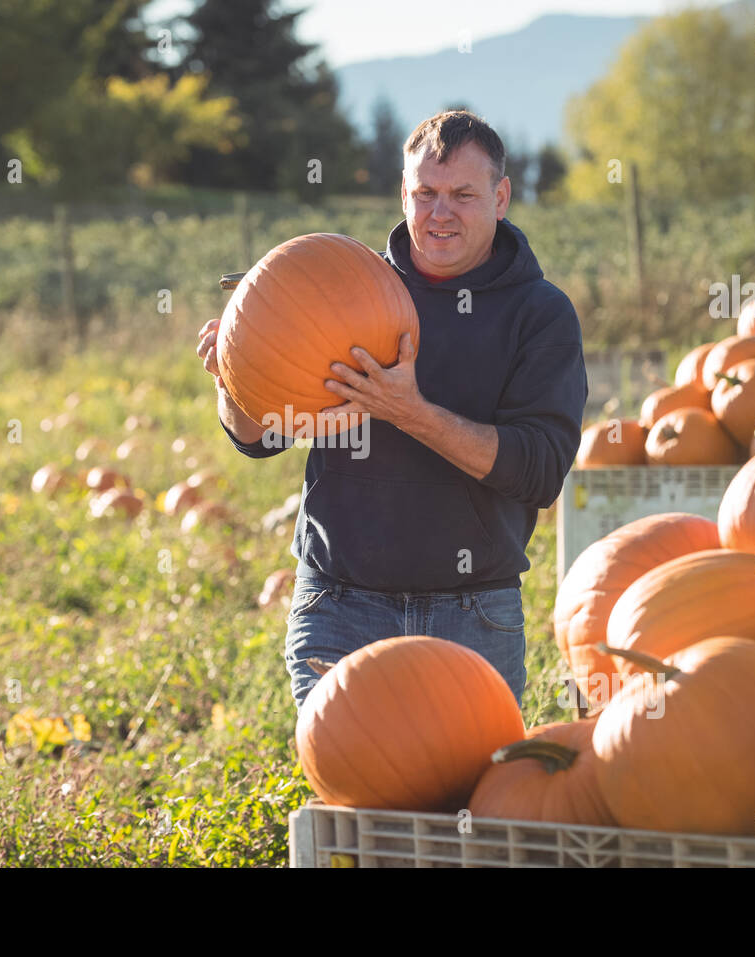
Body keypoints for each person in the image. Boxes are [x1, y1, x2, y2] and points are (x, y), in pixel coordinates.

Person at [196, 110, 588, 712]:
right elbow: (260, 438)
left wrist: (410, 411)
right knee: (353, 797)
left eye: (463, 194)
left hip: (473, 612)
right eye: (425, 193)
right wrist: (235, 374)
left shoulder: (539, 314)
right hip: (338, 606)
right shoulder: (339, 287)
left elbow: (538, 471)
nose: (440, 213)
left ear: (501, 196)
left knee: (467, 802)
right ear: (403, 193)